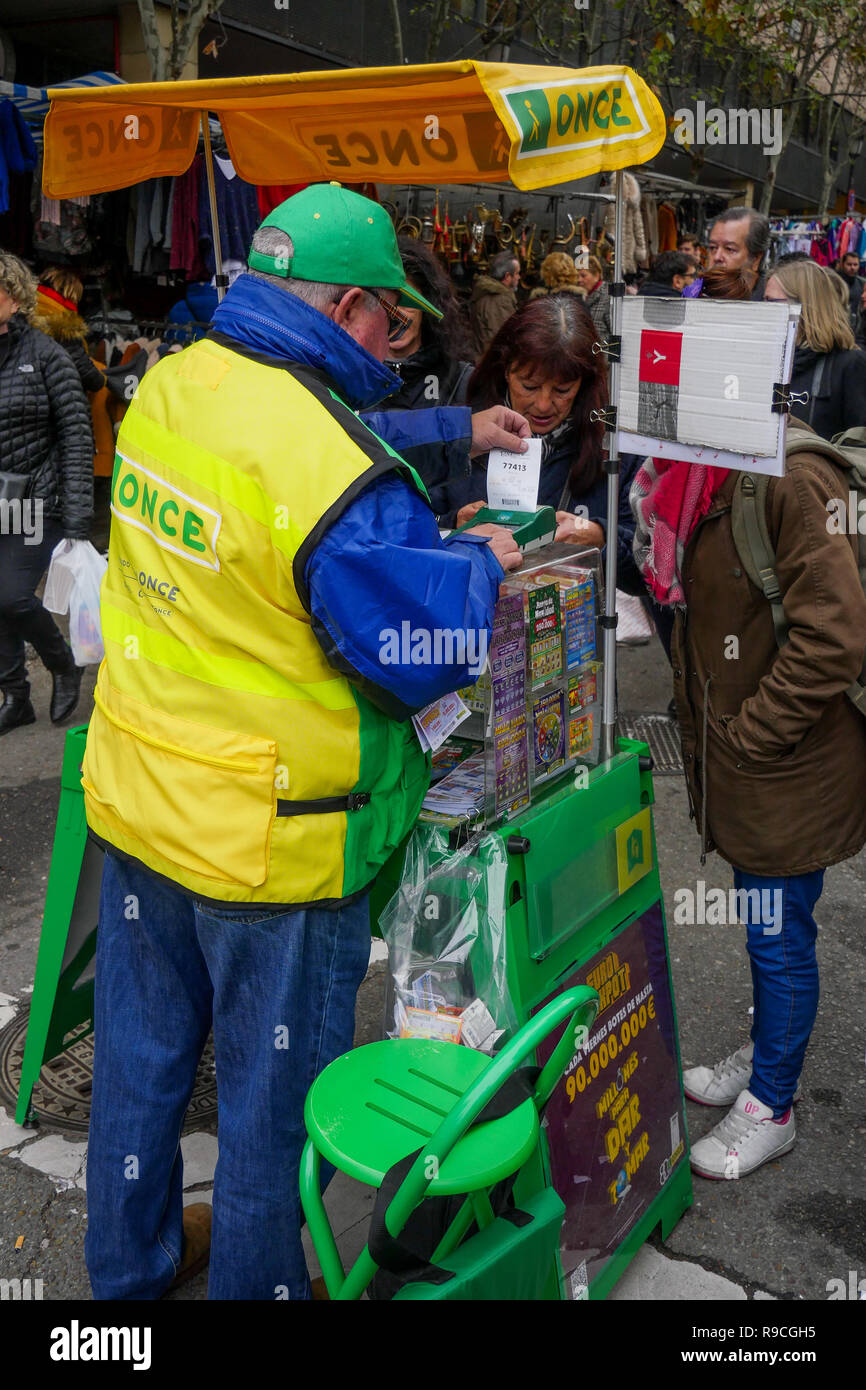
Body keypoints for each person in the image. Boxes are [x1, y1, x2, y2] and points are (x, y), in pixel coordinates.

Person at [80, 184, 528, 1301]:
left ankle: (123, 1282)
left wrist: (445, 433)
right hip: (271, 851)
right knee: (270, 1115)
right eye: (392, 320)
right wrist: (477, 564)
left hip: (140, 808)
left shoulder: (173, 381)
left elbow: (316, 438)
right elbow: (416, 647)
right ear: (344, 308)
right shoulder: (327, 468)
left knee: (138, 1072)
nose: (397, 341)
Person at [631, 420, 866, 1179]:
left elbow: (833, 636)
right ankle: (768, 1054)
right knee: (766, 925)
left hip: (787, 767)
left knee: (779, 938)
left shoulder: (788, 478)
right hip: (746, 764)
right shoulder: (697, 470)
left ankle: (773, 1106)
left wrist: (751, 736)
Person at [442, 293, 642, 590]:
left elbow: (645, 573)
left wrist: (600, 536)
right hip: (472, 622)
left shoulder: (615, 447)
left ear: (584, 384)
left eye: (562, 390)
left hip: (573, 625)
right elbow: (412, 530)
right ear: (505, 370)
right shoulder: (460, 428)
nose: (544, 404)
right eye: (529, 386)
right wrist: (452, 523)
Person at [0, 251, 93, 736]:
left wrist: (77, 520)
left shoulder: (46, 355)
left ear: (15, 300)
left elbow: (78, 435)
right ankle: (15, 697)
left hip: (35, 500)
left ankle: (63, 665)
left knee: (12, 596)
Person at [372, 238, 474, 517]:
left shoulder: (461, 380)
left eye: (405, 300)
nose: (394, 315)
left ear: (427, 304)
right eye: (383, 302)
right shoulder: (348, 383)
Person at [765, 258, 866, 440]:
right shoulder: (769, 360)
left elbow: (858, 450)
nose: (763, 310)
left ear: (804, 305)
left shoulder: (850, 365)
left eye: (771, 301)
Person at [34, 267, 104, 394]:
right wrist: (104, 379)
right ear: (72, 295)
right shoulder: (64, 327)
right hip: (54, 401)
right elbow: (90, 377)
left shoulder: (17, 311)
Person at [707, 207, 769, 299]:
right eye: (713, 247)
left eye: (729, 249)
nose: (717, 257)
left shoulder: (772, 302)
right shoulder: (695, 295)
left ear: (756, 259)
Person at [468, 249, 519, 357]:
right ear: (507, 276)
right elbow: (502, 339)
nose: (519, 277)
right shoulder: (500, 300)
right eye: (517, 273)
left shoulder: (487, 293)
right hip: (490, 364)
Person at [573, 253, 611, 339]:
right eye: (577, 276)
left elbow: (615, 332)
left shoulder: (608, 297)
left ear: (596, 275)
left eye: (583, 275)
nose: (579, 280)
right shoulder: (579, 296)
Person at [836, 249, 864, 334]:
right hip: (839, 327)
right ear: (843, 264)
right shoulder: (835, 282)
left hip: (857, 329)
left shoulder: (861, 283)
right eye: (849, 264)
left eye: (855, 265)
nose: (852, 267)